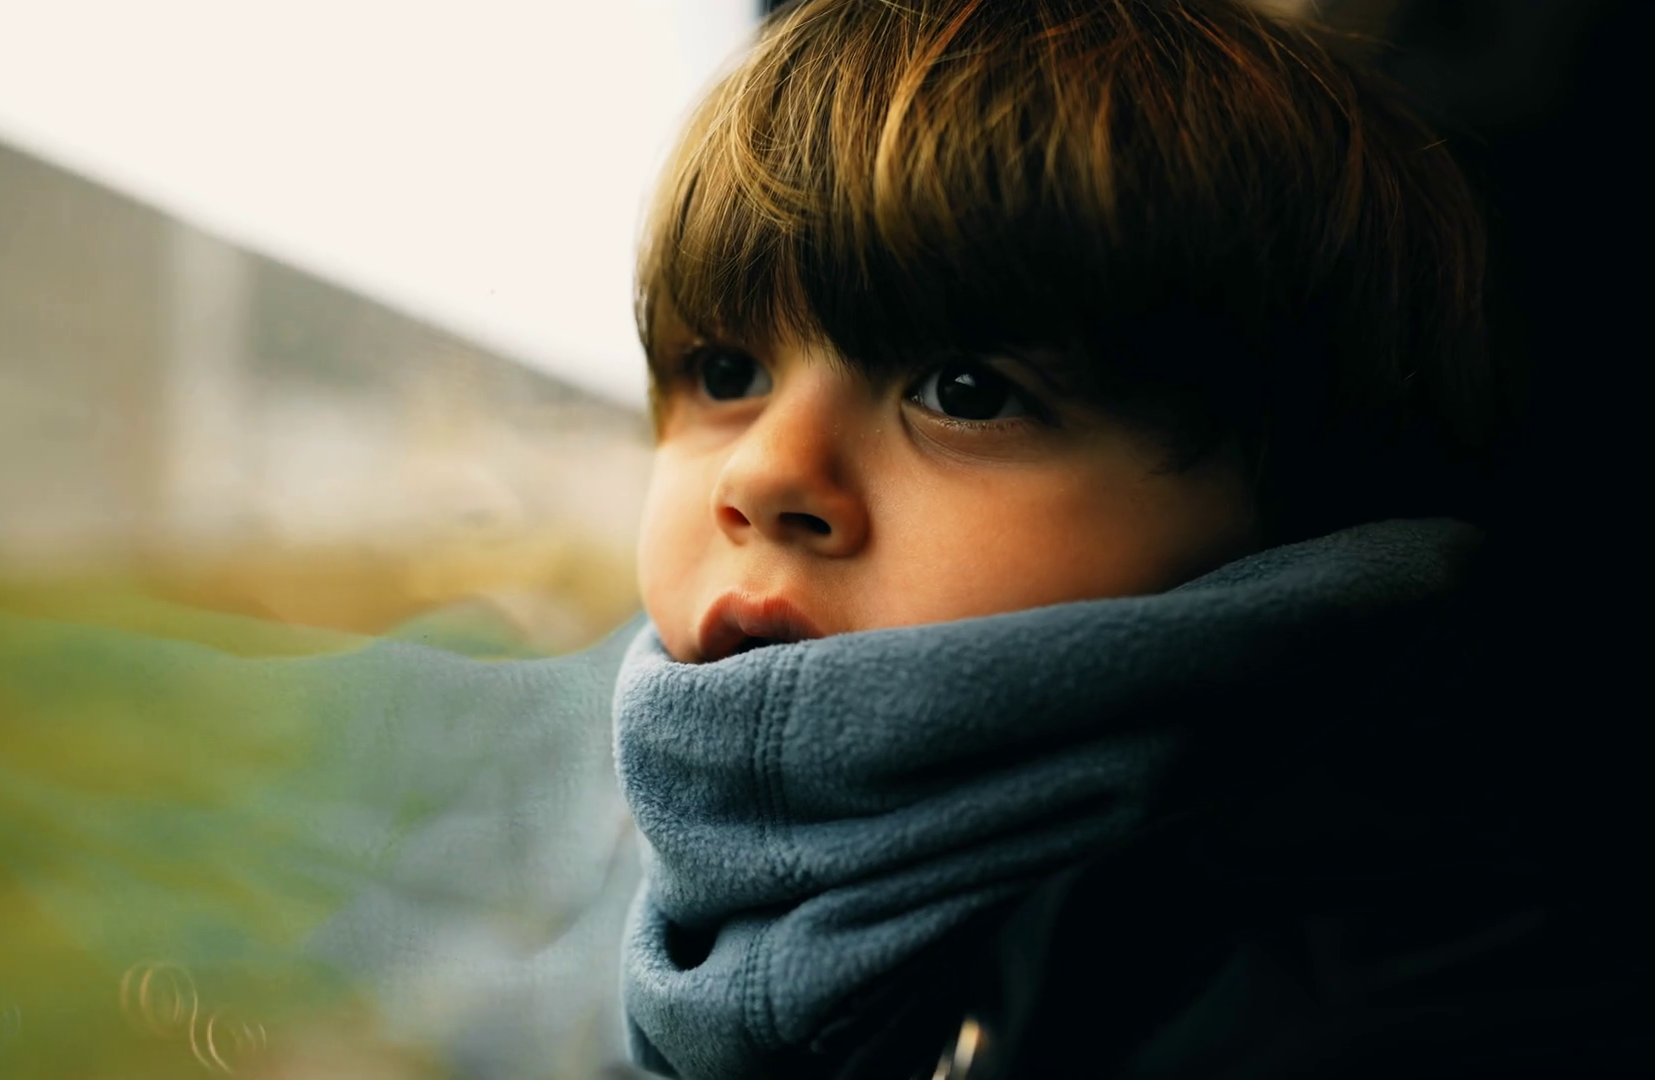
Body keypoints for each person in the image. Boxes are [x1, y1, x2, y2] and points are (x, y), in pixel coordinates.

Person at [609, 0, 1647, 1077]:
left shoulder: (1398, 1013)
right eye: (726, 374)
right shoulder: (683, 964)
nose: (764, 473)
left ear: (1290, 511)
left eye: (964, 391)